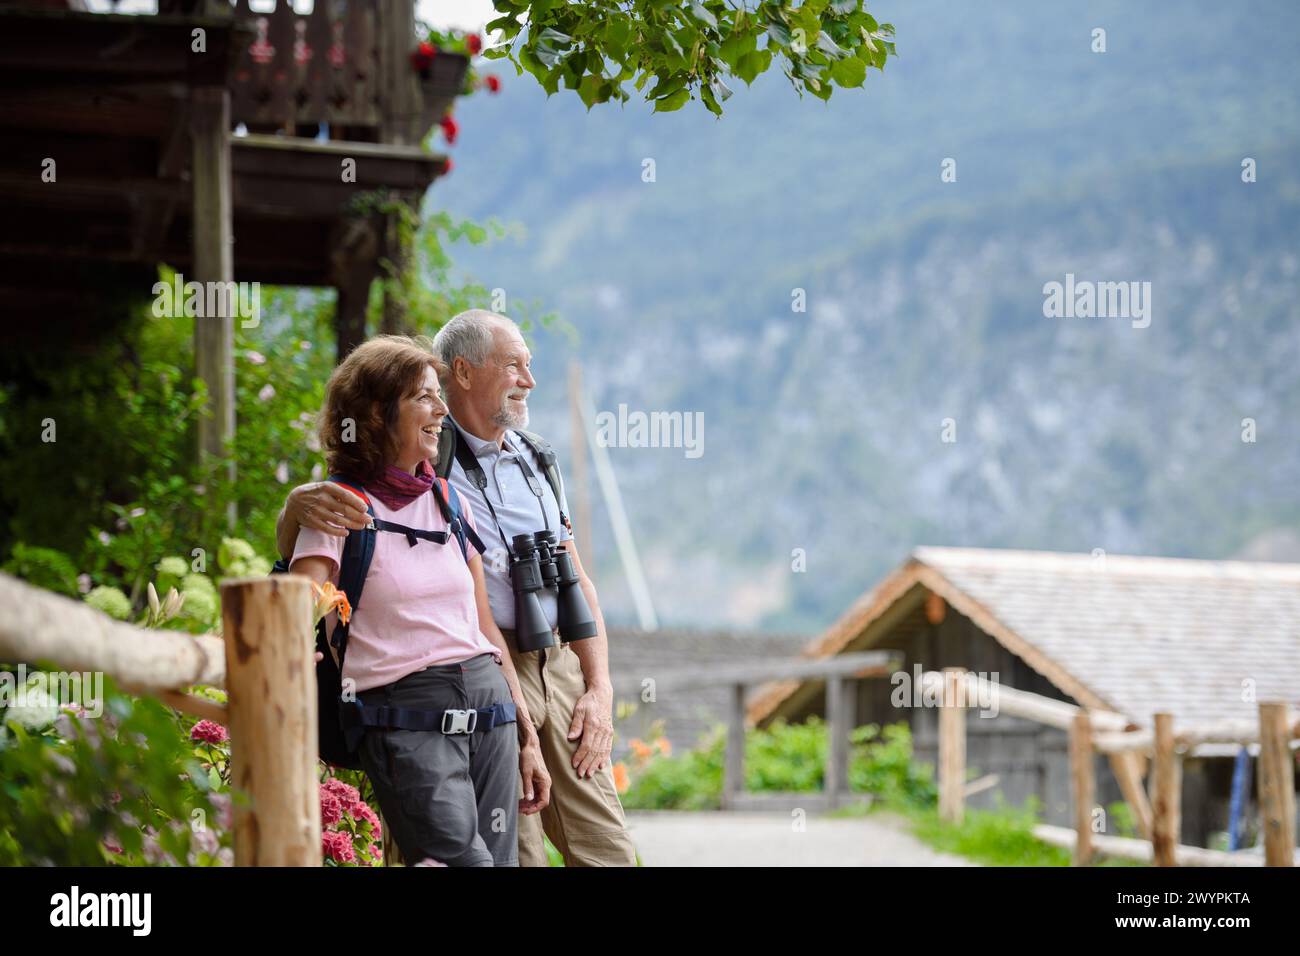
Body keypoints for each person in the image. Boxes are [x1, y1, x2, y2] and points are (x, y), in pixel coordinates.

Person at [278, 312, 637, 867]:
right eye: (513, 365)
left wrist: (599, 687)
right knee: (497, 853)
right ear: (464, 372)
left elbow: (573, 578)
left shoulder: (533, 459)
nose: (528, 380)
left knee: (605, 848)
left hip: (534, 666)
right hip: (444, 685)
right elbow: (305, 573)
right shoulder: (417, 465)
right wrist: (293, 509)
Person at [287, 335, 549, 867]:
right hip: (403, 715)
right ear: (376, 414)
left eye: (439, 395)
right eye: (423, 397)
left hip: (490, 708)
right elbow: (292, 615)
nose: (441, 410)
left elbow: (484, 629)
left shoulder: (449, 502)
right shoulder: (338, 509)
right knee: (462, 862)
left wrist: (527, 735)